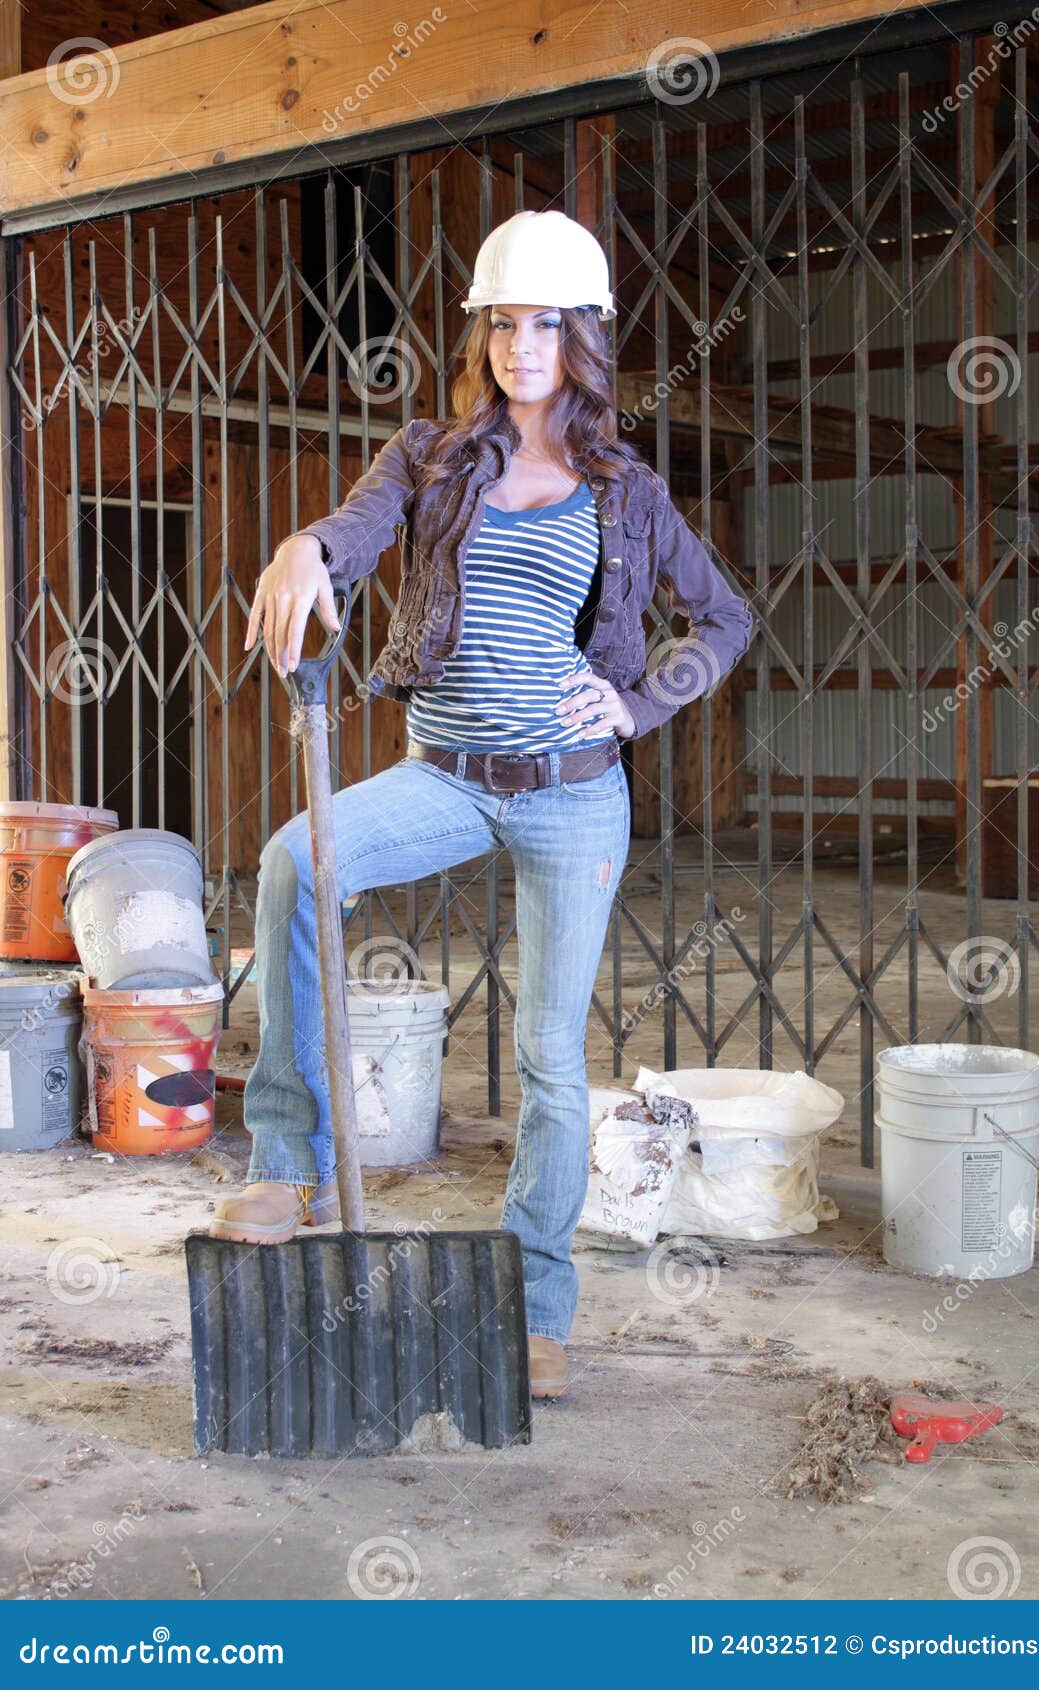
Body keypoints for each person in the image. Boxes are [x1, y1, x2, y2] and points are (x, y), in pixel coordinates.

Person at [208, 209, 754, 1400]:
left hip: (568, 797)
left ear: (582, 339)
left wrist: (635, 706)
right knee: (298, 863)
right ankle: (288, 1159)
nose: (521, 346)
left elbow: (724, 620)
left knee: (551, 1058)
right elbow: (357, 532)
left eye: (545, 325)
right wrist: (307, 544)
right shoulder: (432, 455)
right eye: (502, 323)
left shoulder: (623, 486)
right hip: (442, 776)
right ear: (481, 335)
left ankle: (535, 1299)